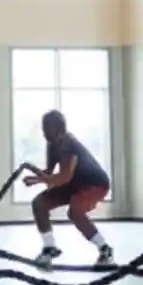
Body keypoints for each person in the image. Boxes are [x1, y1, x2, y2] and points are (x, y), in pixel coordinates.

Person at [22, 110, 115, 269]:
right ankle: (50, 248)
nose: (44, 132)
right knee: (39, 203)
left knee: (75, 212)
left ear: (58, 128)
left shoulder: (68, 144)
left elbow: (63, 177)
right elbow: (51, 174)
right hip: (74, 183)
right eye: (43, 127)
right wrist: (37, 178)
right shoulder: (52, 145)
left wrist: (38, 175)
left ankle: (105, 250)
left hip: (94, 183)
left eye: (47, 128)